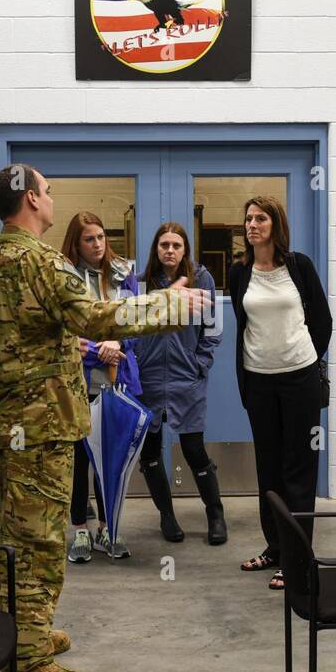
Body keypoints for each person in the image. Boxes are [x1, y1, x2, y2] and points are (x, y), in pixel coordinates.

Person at [0, 163, 209, 672]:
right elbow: (96, 317)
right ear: (30, 198)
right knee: (40, 542)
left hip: (10, 425)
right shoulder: (39, 261)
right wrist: (173, 303)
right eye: (48, 191)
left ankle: (19, 636)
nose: (52, 199)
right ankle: (29, 662)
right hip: (40, 427)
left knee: (8, 538)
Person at [229, 197, 331, 591]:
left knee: (299, 471)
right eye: (248, 218)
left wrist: (302, 356)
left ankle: (297, 558)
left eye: (261, 218)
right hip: (258, 381)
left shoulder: (299, 266)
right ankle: (275, 548)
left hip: (300, 381)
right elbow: (243, 323)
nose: (252, 224)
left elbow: (321, 320)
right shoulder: (241, 272)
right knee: (268, 469)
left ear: (276, 225)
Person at [133, 222, 227, 546]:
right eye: (164, 245)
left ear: (185, 248)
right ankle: (167, 516)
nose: (169, 250)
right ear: (155, 249)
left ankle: (215, 514)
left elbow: (213, 330)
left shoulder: (203, 279)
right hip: (148, 381)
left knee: (193, 448)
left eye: (176, 245)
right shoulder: (142, 283)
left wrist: (200, 364)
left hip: (186, 379)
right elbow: (127, 327)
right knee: (150, 451)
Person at [61, 212, 139, 563]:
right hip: (76, 384)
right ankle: (79, 530)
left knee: (111, 456)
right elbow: (65, 333)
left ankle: (108, 527)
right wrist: (97, 349)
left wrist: (117, 346)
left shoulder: (124, 273)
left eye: (100, 237)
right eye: (88, 239)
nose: (97, 245)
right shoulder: (64, 277)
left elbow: (136, 322)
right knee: (79, 460)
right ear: (76, 244)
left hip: (115, 380)